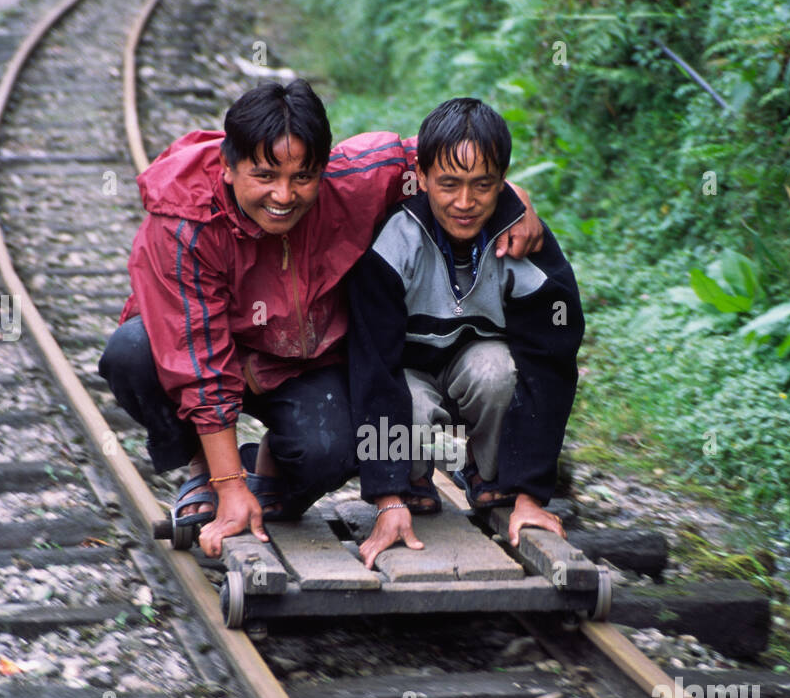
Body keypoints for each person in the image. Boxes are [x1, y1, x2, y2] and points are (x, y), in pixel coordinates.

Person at [98, 79, 544, 557]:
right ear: (228, 167)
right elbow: (198, 361)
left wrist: (513, 200)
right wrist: (229, 486)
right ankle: (205, 472)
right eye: (265, 176)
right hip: (207, 353)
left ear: (325, 167)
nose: (284, 195)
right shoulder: (184, 221)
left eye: (303, 177)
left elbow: (449, 161)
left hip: (305, 364)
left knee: (337, 447)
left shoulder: (358, 182)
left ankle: (267, 475)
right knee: (132, 352)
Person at [347, 96, 584, 571]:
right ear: (423, 175)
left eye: (483, 186)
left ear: (503, 181)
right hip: (408, 373)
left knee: (499, 370)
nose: (464, 202)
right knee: (408, 401)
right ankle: (413, 479)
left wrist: (533, 491)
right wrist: (385, 493)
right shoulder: (397, 240)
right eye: (448, 184)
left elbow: (551, 361)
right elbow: (372, 365)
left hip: (472, 371)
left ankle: (492, 474)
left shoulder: (522, 243)